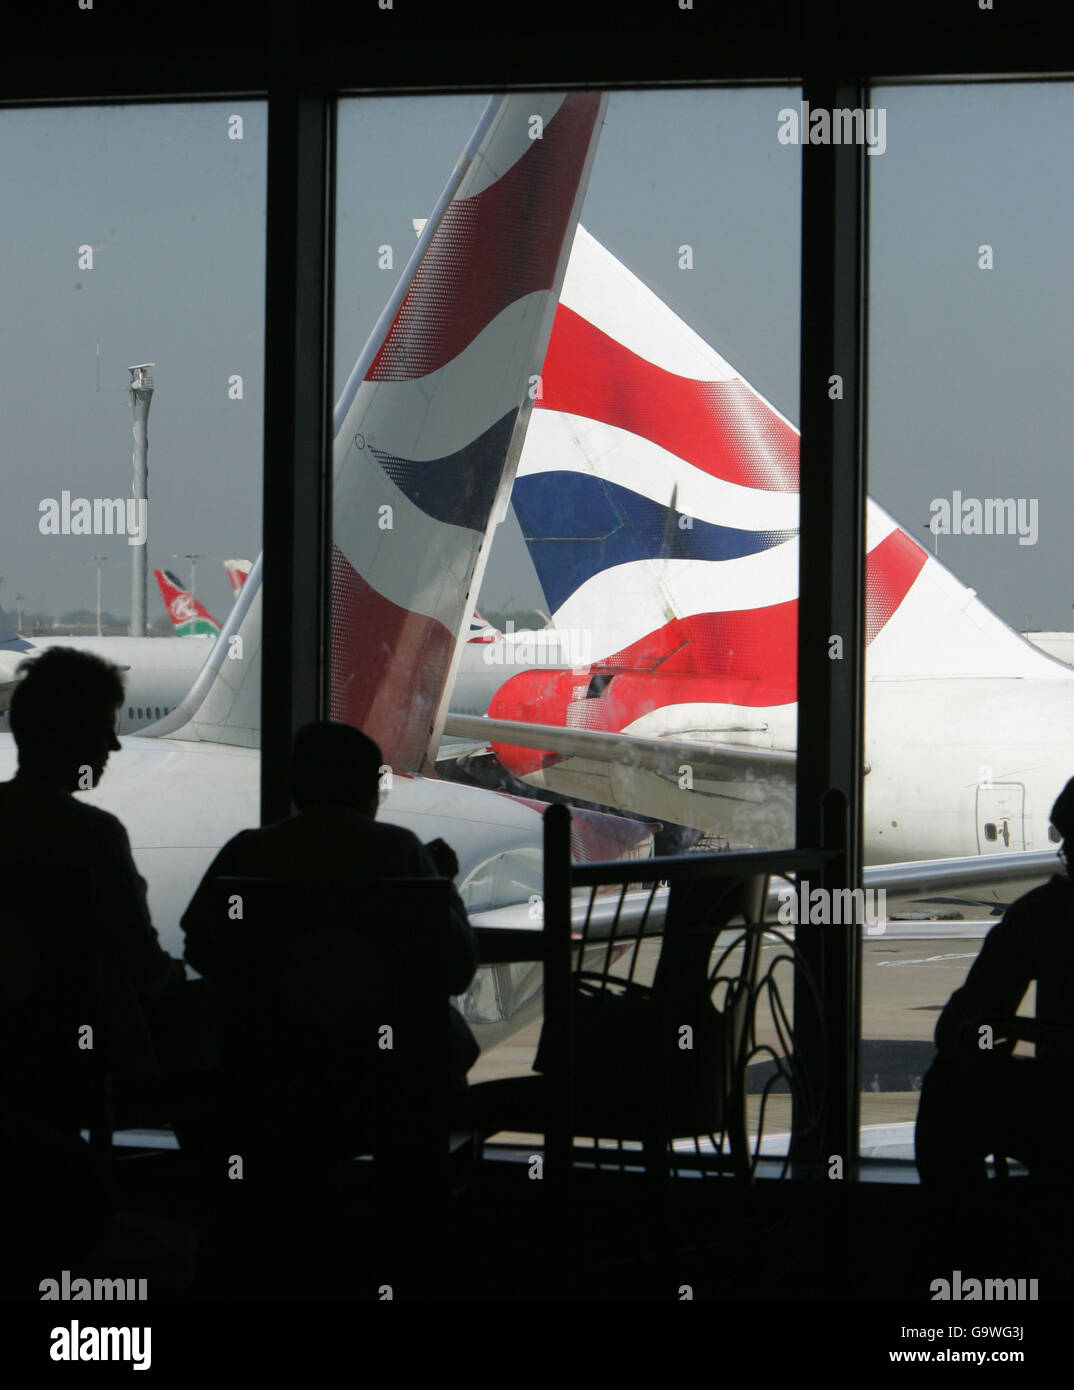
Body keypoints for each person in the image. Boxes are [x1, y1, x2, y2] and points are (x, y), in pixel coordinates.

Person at [180, 721, 480, 1130]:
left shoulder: (247, 852)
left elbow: (201, 949)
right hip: (392, 1083)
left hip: (272, 1079)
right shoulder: (400, 852)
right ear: (370, 790)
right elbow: (457, 968)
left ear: (295, 786)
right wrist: (441, 886)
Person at [0, 647, 197, 1125]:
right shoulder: (94, 836)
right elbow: (142, 968)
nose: (114, 746)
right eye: (104, 728)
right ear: (67, 737)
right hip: (74, 1066)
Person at [915, 777, 1074, 1191]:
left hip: (1062, 1111)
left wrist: (997, 1034)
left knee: (948, 1087)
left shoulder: (1046, 914)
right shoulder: (1044, 915)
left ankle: (962, 1243)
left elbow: (958, 1028)